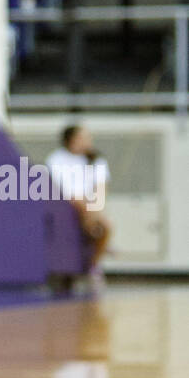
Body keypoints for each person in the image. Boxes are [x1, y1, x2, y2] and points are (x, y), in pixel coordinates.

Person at [46, 124, 113, 291]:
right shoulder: (56, 159)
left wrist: (96, 206)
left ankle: (92, 265)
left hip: (91, 207)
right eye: (84, 137)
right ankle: (94, 234)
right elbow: (66, 191)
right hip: (65, 206)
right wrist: (88, 206)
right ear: (71, 140)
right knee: (98, 223)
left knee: (105, 226)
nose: (89, 141)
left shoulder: (97, 159)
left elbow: (101, 188)